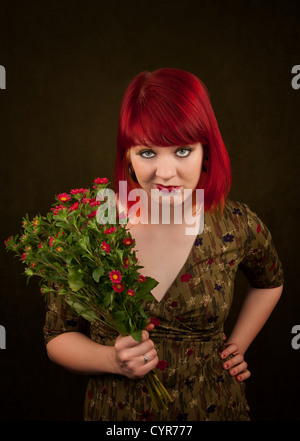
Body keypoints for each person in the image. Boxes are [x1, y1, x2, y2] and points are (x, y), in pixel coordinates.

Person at [44, 68, 284, 421]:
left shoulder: (236, 223)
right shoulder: (93, 224)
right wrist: (111, 359)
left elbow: (270, 282)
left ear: (207, 150)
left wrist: (237, 346)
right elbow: (57, 336)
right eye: (147, 153)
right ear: (128, 154)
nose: (166, 172)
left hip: (213, 408)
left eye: (183, 151)